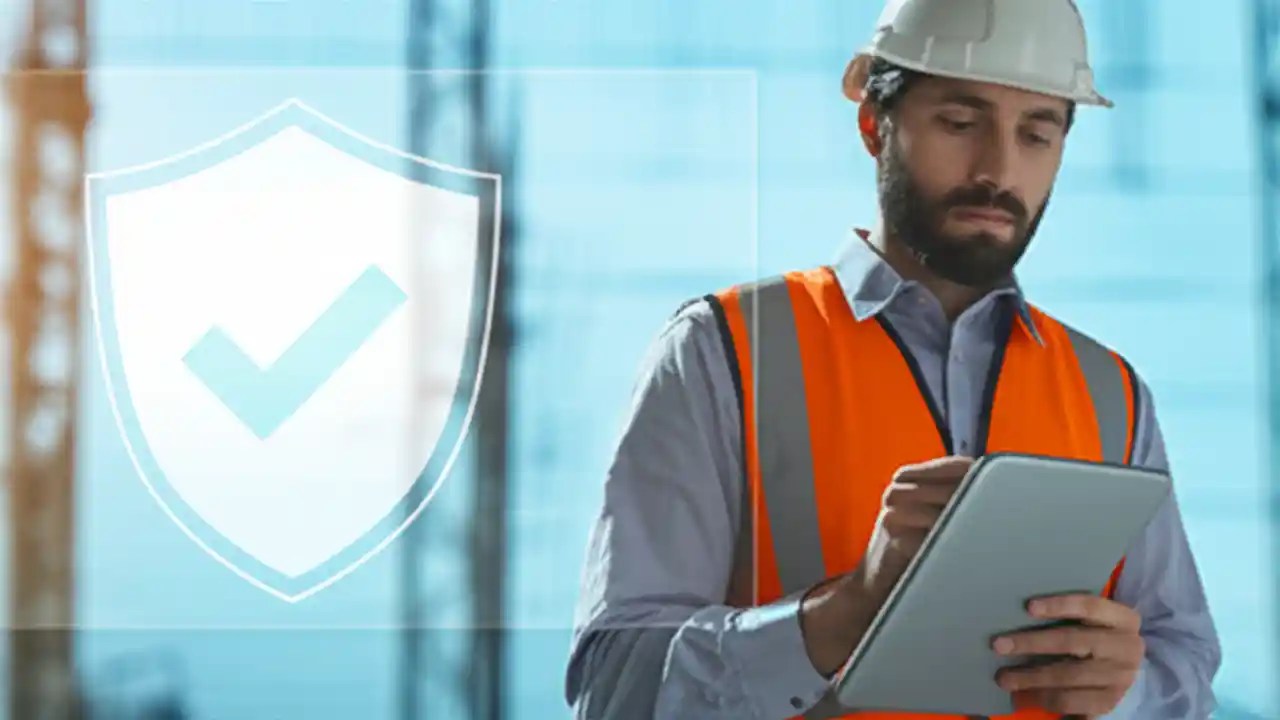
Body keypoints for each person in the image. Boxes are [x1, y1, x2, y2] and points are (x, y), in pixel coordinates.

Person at [564, 0, 1222, 717]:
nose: (998, 169)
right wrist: (844, 611)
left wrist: (1126, 693)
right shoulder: (722, 351)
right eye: (960, 123)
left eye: (1036, 134)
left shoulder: (1112, 397)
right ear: (875, 126)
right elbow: (616, 687)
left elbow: (1182, 667)